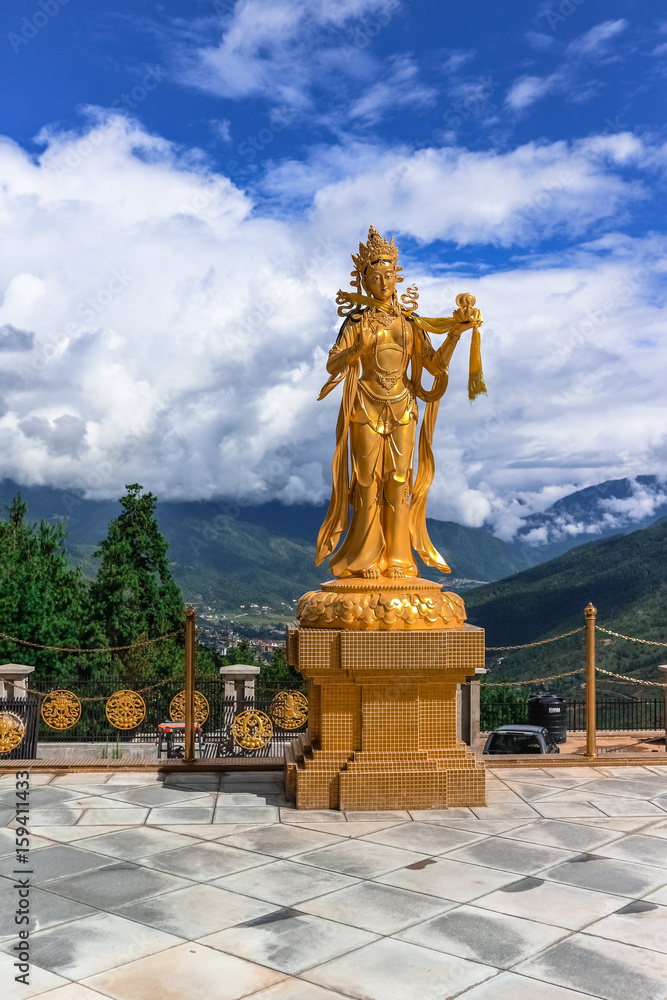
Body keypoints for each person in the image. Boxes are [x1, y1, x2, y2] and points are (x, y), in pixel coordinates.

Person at [316, 225, 484, 580]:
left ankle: (397, 558)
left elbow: (434, 366)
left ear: (397, 277)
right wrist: (353, 353)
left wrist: (455, 333)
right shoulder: (356, 321)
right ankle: (364, 557)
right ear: (363, 281)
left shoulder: (410, 323)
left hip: (404, 405)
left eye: (388, 275)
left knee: (398, 480)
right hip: (365, 404)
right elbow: (332, 363)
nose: (382, 283)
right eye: (374, 277)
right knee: (366, 481)